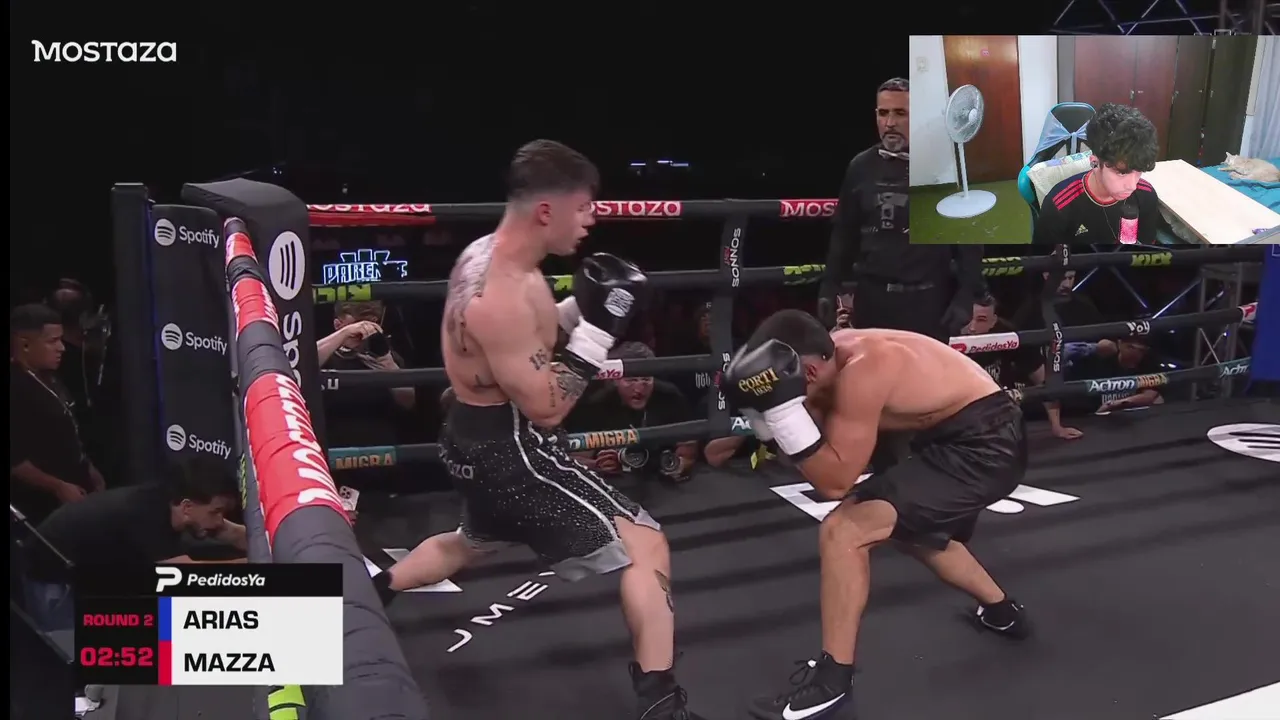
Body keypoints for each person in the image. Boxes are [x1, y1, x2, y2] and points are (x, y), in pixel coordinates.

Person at [370, 140, 700, 720]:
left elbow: (528, 340)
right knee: (647, 543)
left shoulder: (487, 257)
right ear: (547, 210)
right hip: (514, 448)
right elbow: (549, 405)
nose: (592, 219)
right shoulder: (503, 296)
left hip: (469, 436)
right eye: (584, 207)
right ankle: (662, 705)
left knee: (473, 541)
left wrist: (579, 309)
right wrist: (599, 331)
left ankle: (372, 593)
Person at [724, 310, 1031, 720]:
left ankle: (832, 684)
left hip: (987, 443)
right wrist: (765, 413)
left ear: (809, 370)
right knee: (913, 530)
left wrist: (778, 414)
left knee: (844, 531)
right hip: (945, 435)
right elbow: (806, 446)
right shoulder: (830, 360)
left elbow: (834, 481)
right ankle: (1003, 613)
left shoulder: (865, 369)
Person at [818, 77, 984, 340]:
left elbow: (968, 239)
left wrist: (967, 294)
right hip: (872, 301)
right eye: (883, 113)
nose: (890, 123)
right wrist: (829, 286)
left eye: (900, 113)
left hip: (929, 303)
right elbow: (844, 234)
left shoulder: (944, 167)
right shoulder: (861, 167)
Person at [22, 457, 245, 631]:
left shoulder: (174, 500)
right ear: (187, 507)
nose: (219, 520)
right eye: (216, 511)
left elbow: (230, 532)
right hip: (53, 575)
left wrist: (256, 541)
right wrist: (251, 564)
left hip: (92, 568)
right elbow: (190, 574)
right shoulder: (146, 518)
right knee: (74, 652)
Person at [10, 303, 106, 524]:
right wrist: (57, 486)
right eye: (52, 341)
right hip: (42, 509)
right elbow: (15, 461)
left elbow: (66, 430)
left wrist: (88, 468)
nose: (61, 348)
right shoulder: (15, 387)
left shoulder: (50, 376)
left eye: (61, 340)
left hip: (77, 495)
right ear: (25, 344)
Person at [1034, 103, 1167, 245]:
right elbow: (1043, 257)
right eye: (1122, 173)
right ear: (1095, 163)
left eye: (1138, 171)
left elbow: (1146, 249)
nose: (1132, 185)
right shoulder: (1059, 205)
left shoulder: (1146, 195)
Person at [567, 342, 699, 484]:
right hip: (615, 482)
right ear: (615, 380)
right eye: (631, 380)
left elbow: (688, 446)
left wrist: (678, 464)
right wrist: (597, 466)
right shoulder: (596, 404)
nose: (639, 388)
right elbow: (576, 458)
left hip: (661, 479)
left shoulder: (669, 396)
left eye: (646, 379)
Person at [962, 294, 1081, 440]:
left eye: (981, 320)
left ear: (994, 321)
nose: (972, 327)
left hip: (998, 411)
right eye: (969, 319)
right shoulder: (952, 337)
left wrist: (1057, 427)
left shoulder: (1009, 337)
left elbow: (1043, 379)